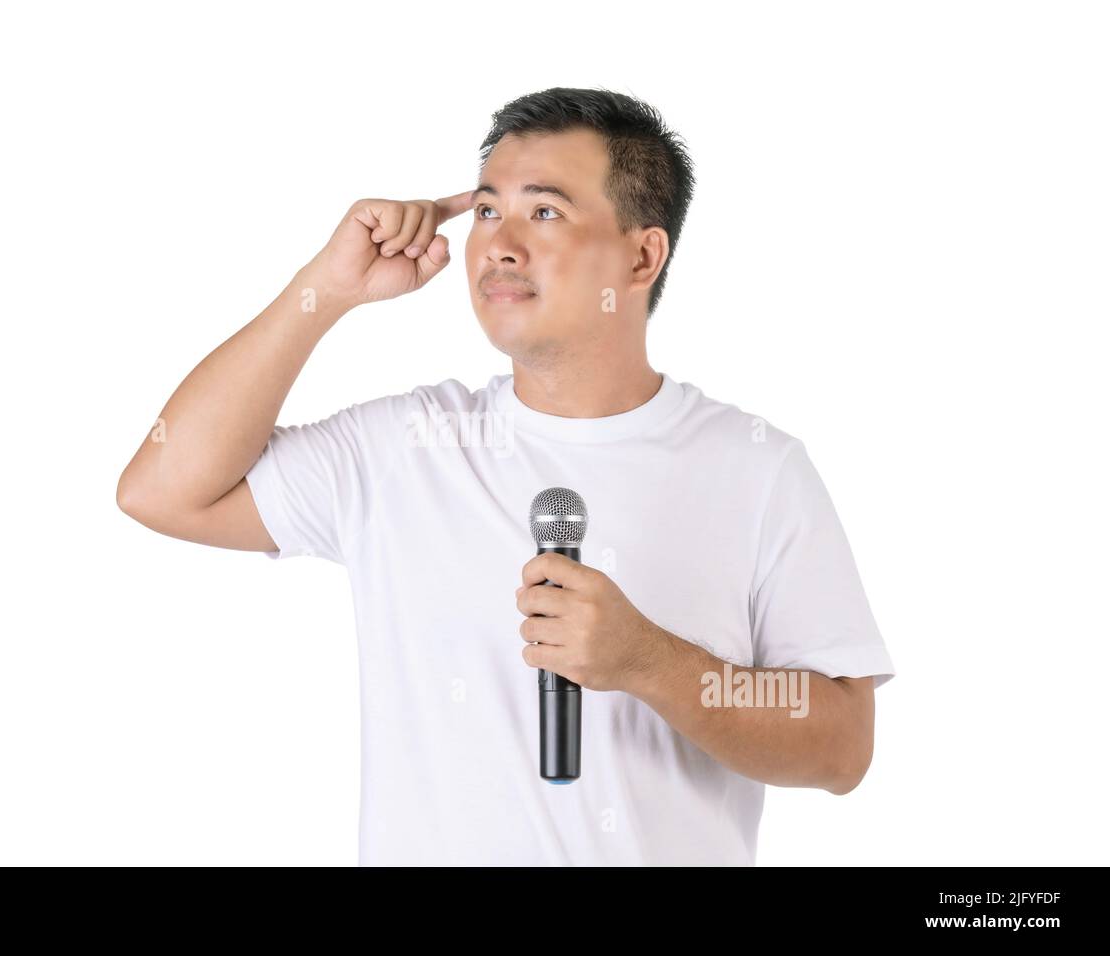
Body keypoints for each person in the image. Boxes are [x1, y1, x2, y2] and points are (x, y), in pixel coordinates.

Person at [116, 87, 896, 865]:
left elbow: (843, 746)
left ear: (641, 256)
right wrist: (327, 289)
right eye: (488, 210)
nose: (500, 244)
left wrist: (650, 662)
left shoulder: (756, 469)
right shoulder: (406, 448)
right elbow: (162, 489)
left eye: (544, 211)